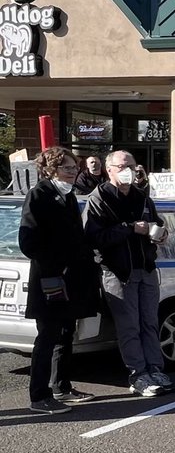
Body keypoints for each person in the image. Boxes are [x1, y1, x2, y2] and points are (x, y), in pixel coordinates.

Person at [84, 150, 173, 397]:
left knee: (150, 322)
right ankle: (138, 374)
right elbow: (94, 237)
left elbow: (157, 224)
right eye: (122, 166)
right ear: (108, 169)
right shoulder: (99, 198)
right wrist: (129, 228)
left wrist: (160, 233)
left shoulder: (142, 197)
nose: (127, 171)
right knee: (129, 326)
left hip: (145, 268)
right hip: (118, 272)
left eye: (131, 166)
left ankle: (155, 369)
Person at [18, 148, 101, 413]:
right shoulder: (39, 195)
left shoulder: (67, 196)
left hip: (71, 278)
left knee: (65, 333)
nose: (73, 172)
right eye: (67, 168)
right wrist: (58, 264)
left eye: (75, 168)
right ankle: (39, 396)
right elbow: (28, 242)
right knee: (47, 336)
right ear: (51, 169)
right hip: (50, 279)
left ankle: (61, 386)